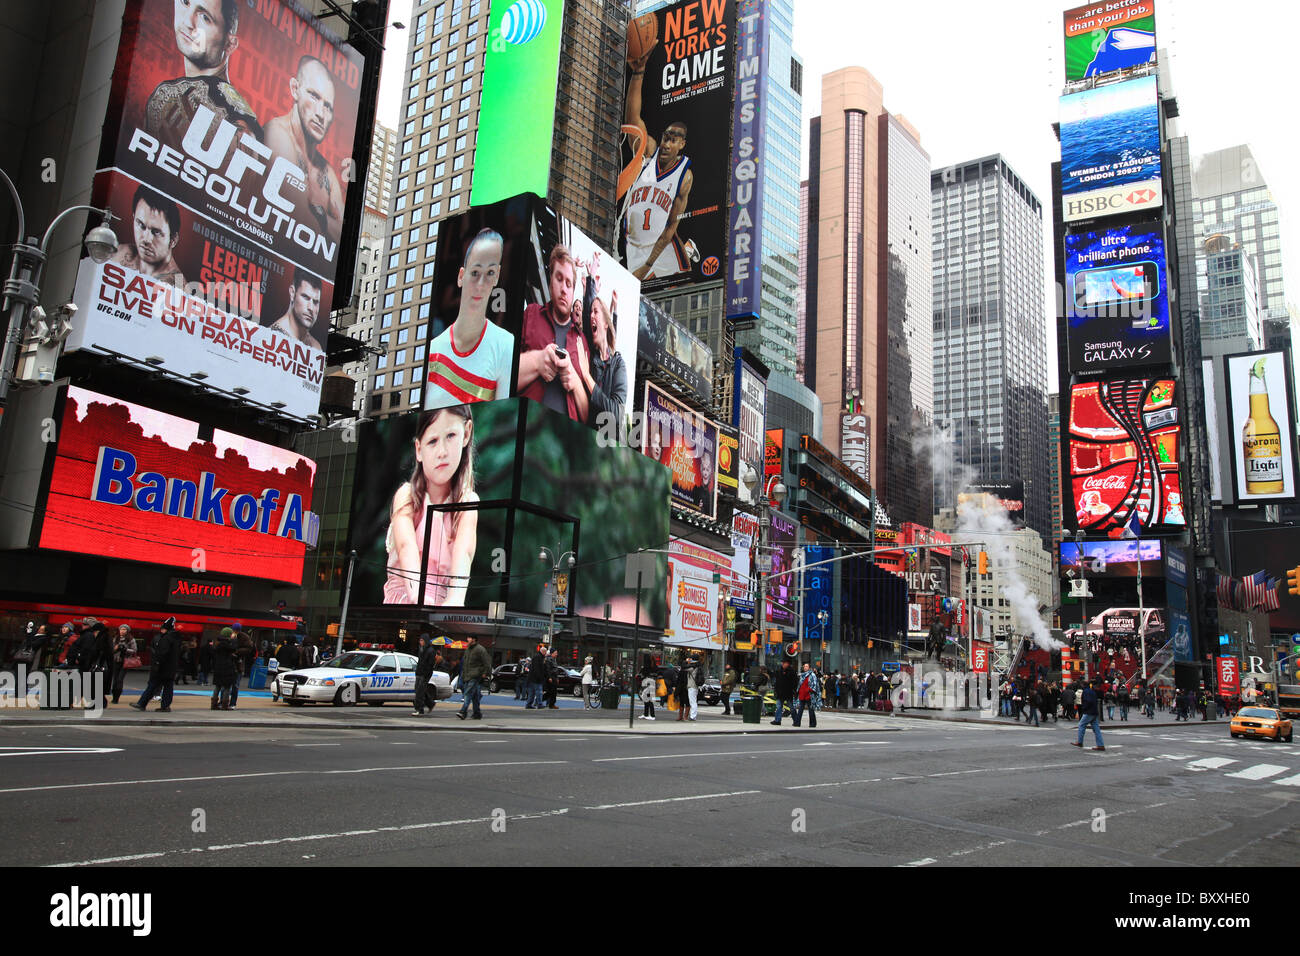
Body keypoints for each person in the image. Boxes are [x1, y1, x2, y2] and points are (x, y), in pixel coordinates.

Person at [384, 405, 479, 606]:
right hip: (404, 603)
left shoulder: (468, 502)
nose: (442, 452)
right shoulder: (407, 495)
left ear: (466, 433)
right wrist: (417, 596)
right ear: (418, 449)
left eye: (451, 435)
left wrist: (455, 601)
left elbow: (464, 554)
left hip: (441, 610)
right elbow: (406, 546)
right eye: (432, 441)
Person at [144, 0, 261, 155]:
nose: (187, 22)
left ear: (229, 44)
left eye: (205, 17)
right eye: (185, 2)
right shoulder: (236, 105)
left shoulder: (172, 96)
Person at [622, 51, 694, 281]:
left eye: (673, 140)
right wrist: (638, 72)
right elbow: (633, 119)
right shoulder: (648, 153)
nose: (666, 144)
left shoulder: (684, 175)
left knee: (678, 286)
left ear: (682, 145)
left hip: (661, 248)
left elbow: (671, 225)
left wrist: (647, 266)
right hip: (632, 243)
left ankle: (687, 250)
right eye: (665, 138)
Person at [425, 229, 512, 409]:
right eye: (475, 273)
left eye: (490, 273)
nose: (480, 284)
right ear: (461, 276)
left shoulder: (506, 345)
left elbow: (504, 414)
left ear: (497, 276)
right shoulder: (432, 350)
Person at [263, 55, 346, 244]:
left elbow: (344, 239)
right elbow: (296, 216)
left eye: (327, 106)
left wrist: (319, 217)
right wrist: (323, 218)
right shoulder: (277, 134)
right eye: (314, 96)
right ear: (295, 89)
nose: (320, 113)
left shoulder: (327, 173)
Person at [518, 244, 590, 424]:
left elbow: (586, 415)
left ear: (573, 291)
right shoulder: (531, 314)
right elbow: (504, 375)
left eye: (569, 284)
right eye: (559, 279)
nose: (564, 289)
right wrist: (537, 361)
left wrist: (575, 382)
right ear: (550, 281)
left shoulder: (582, 341)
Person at [111, 186, 186, 287]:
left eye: (156, 232)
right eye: (141, 225)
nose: (146, 239)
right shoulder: (121, 252)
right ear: (133, 217)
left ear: (173, 240)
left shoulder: (179, 287)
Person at [577, 286, 628, 430]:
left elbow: (617, 414)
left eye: (596, 311)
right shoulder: (590, 355)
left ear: (606, 323)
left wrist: (587, 377)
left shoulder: (618, 364)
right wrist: (588, 284)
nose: (591, 315)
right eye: (590, 312)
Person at [131, 617, 181, 712]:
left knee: (152, 684)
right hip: (171, 667)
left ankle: (142, 703)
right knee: (168, 687)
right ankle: (165, 706)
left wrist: (157, 663)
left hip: (162, 667)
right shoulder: (176, 638)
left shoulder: (166, 638)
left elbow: (162, 653)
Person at [268, 269, 324, 351]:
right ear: (292, 293)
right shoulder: (272, 336)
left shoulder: (316, 346)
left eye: (315, 302)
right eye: (305, 297)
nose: (311, 308)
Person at [457, 635, 491, 720]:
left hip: (475, 675)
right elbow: (465, 663)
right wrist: (463, 674)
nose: (467, 639)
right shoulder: (468, 649)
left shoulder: (480, 649)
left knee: (468, 693)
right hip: (467, 675)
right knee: (474, 696)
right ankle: (477, 713)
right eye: (467, 637)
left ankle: (463, 711)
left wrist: (485, 673)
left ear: (474, 639)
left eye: (469, 638)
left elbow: (487, 662)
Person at [1071, 680, 1106, 751]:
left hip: (1088, 712)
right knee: (1096, 729)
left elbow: (1088, 701)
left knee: (1081, 725)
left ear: (1082, 685)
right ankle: (1100, 744)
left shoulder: (1086, 691)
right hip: (1094, 711)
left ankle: (1080, 742)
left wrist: (1084, 708)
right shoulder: (1092, 691)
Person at [211, 627, 238, 710]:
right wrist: (233, 640)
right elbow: (234, 648)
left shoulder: (217, 644)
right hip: (227, 667)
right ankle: (225, 705)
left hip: (218, 667)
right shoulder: (227, 644)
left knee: (217, 686)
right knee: (227, 686)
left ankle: (214, 704)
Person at [413, 634, 440, 715]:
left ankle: (419, 709)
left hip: (425, 673)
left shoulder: (430, 651)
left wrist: (425, 673)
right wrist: (417, 671)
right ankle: (430, 703)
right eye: (420, 640)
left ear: (426, 641)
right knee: (419, 689)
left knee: (419, 691)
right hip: (419, 672)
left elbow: (430, 664)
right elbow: (420, 662)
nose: (420, 642)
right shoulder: (421, 649)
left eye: (422, 640)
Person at [110, 624, 137, 705]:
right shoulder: (116, 638)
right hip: (116, 661)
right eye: (121, 629)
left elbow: (134, 650)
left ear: (127, 631)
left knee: (120, 680)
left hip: (125, 662)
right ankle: (114, 697)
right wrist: (116, 648)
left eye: (124, 629)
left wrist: (125, 649)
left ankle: (117, 698)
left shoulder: (131, 639)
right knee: (115, 680)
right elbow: (111, 650)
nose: (122, 631)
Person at [793, 663, 819, 729]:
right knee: (800, 709)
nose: (805, 667)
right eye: (804, 666)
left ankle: (812, 723)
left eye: (806, 666)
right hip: (802, 694)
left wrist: (809, 689)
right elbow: (800, 685)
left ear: (809, 667)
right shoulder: (802, 675)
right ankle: (797, 723)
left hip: (809, 695)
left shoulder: (812, 675)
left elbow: (815, 685)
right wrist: (798, 692)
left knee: (810, 710)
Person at [771, 659, 796, 726]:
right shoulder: (779, 671)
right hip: (780, 692)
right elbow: (777, 682)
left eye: (784, 663)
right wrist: (776, 690)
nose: (783, 664)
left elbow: (794, 682)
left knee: (791, 707)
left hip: (788, 692)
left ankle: (796, 720)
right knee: (779, 707)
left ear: (788, 664)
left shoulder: (791, 672)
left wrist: (794, 690)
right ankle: (777, 720)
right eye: (783, 663)